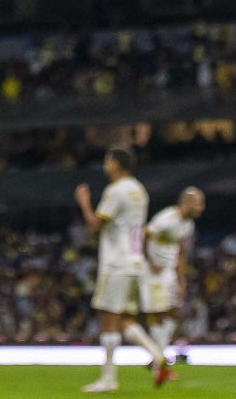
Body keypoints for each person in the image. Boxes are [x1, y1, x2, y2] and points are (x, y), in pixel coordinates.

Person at [75, 146, 170, 393]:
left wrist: (84, 203)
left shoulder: (115, 191)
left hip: (116, 262)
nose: (105, 165)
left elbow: (96, 224)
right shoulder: (139, 190)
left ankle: (109, 378)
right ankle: (157, 355)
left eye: (108, 160)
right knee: (125, 319)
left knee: (107, 318)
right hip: (135, 261)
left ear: (117, 164)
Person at [143, 187, 206, 364]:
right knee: (158, 313)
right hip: (153, 273)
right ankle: (158, 357)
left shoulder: (188, 225)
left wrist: (182, 281)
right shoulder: (167, 218)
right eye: (199, 203)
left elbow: (181, 253)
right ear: (187, 202)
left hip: (170, 272)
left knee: (175, 311)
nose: (202, 208)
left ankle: (158, 355)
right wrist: (149, 260)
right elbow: (144, 235)